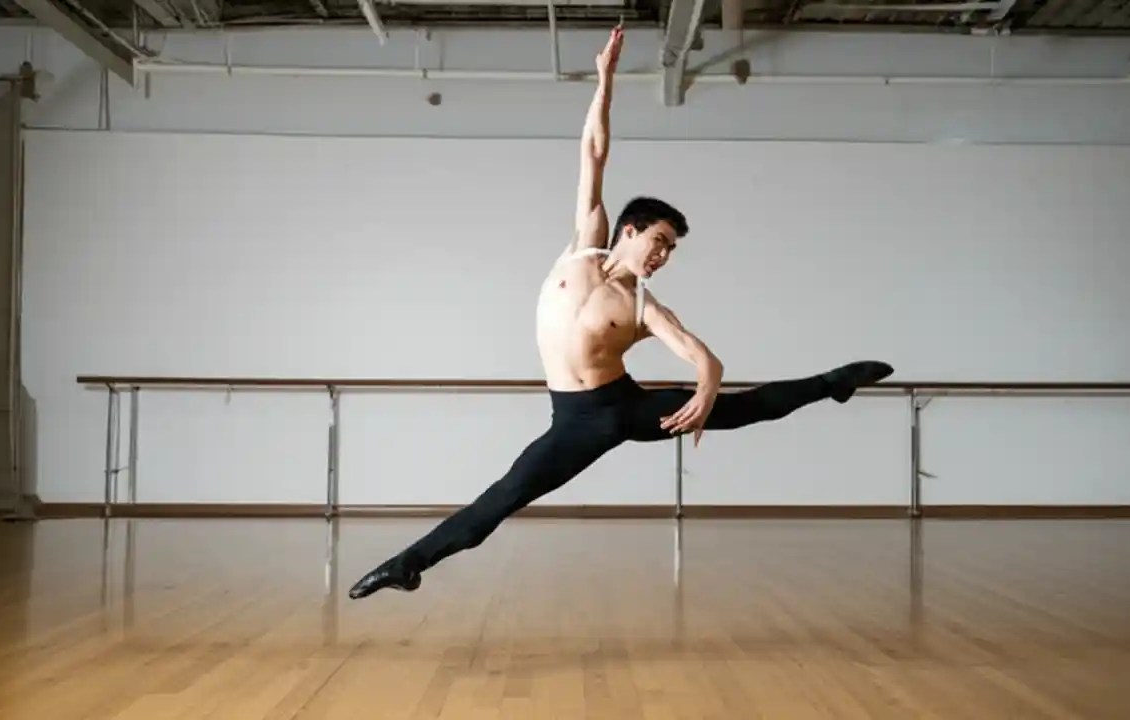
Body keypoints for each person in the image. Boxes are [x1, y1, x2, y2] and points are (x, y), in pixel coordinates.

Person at [348, 24, 892, 600]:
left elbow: (701, 355)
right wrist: (605, 79)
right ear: (628, 231)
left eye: (671, 250)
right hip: (572, 421)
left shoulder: (641, 305)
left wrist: (706, 393)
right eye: (658, 241)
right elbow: (593, 150)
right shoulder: (585, 243)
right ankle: (408, 564)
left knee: (742, 410)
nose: (662, 255)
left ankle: (834, 383)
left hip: (619, 409)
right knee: (502, 497)